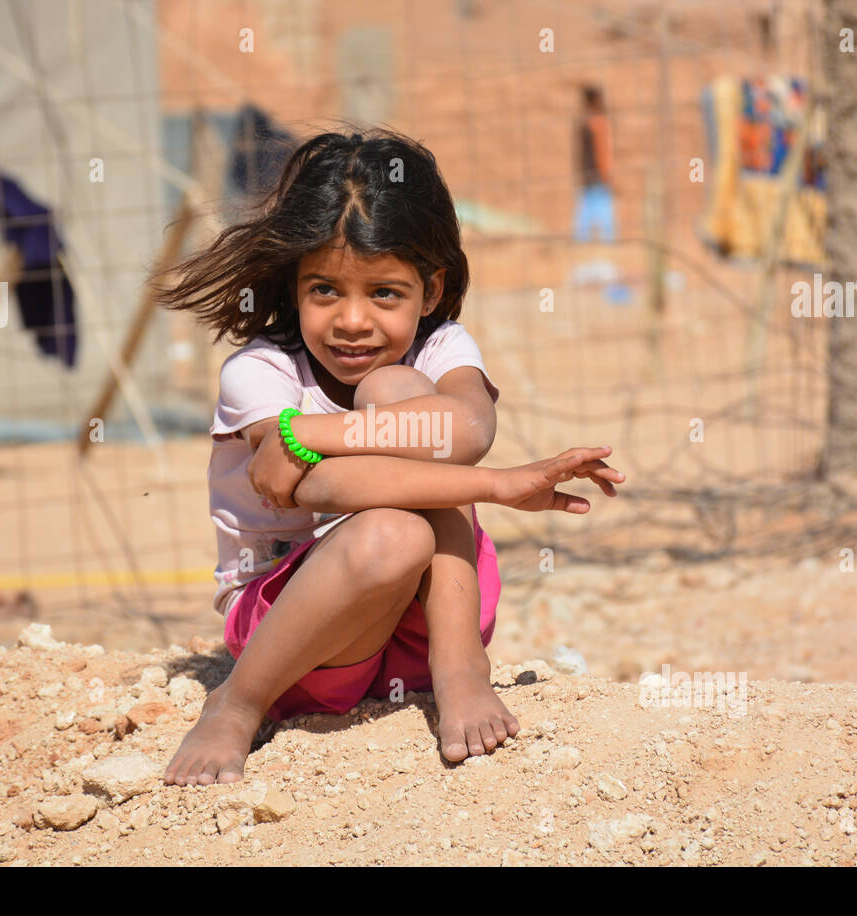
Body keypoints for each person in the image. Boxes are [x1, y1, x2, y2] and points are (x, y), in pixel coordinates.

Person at [153, 128, 625, 786]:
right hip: (295, 641)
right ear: (292, 286)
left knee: (395, 391)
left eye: (384, 294)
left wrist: (315, 434)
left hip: (421, 631)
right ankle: (235, 705)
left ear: (429, 292)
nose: (351, 321)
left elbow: (464, 428)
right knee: (391, 533)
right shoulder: (259, 372)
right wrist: (497, 486)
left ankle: (460, 669)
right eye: (325, 291)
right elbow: (309, 490)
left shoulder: (439, 347)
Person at [573, 85, 619, 243]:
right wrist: (606, 173)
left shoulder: (584, 123)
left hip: (588, 174)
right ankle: (609, 241)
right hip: (598, 174)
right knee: (604, 209)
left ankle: (581, 240)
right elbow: (602, 150)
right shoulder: (598, 123)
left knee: (585, 209)